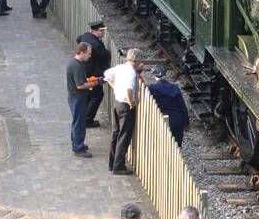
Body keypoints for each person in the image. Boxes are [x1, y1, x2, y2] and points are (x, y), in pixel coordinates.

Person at [104, 47, 143, 175]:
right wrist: (131, 103)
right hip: (126, 106)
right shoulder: (131, 73)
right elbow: (130, 89)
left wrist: (115, 87)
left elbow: (107, 75)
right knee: (124, 136)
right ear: (137, 61)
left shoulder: (120, 67)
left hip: (117, 103)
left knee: (116, 133)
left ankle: (112, 163)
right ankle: (118, 166)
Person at [75, 20, 112, 127]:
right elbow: (106, 54)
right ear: (97, 31)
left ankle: (84, 117)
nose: (104, 33)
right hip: (93, 74)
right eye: (102, 31)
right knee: (97, 95)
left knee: (89, 96)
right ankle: (87, 120)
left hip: (86, 71)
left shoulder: (85, 37)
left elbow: (78, 39)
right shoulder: (96, 44)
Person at [145, 64, 190, 146]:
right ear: (165, 74)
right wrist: (186, 123)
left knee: (163, 144)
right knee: (177, 145)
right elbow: (182, 107)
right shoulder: (175, 87)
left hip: (162, 118)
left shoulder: (152, 88)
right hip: (177, 119)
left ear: (154, 76)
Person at [67, 42, 96, 157]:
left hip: (76, 97)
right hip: (78, 97)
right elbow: (80, 85)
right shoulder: (77, 66)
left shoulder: (75, 64)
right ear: (82, 52)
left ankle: (77, 143)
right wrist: (95, 83)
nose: (89, 56)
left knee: (78, 121)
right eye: (88, 54)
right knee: (79, 122)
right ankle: (78, 147)